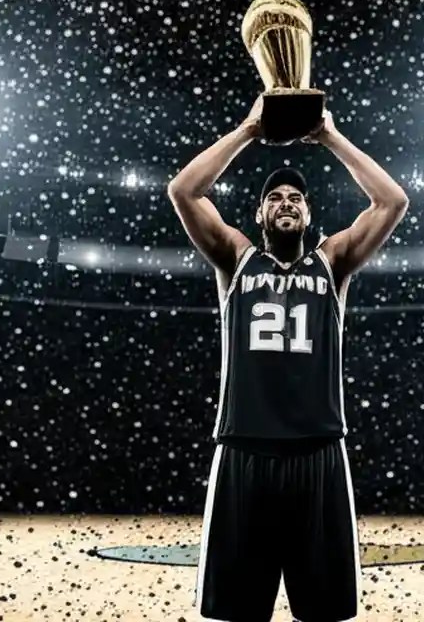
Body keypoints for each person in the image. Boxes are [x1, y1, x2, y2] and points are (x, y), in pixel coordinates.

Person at [166, 94, 410, 622]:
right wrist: (249, 129)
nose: (285, 202)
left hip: (319, 449)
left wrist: (329, 137)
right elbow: (184, 190)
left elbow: (392, 202)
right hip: (243, 448)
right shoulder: (235, 257)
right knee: (236, 612)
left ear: (308, 214)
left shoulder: (333, 262)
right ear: (259, 213)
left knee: (324, 611)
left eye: (295, 197)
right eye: (274, 197)